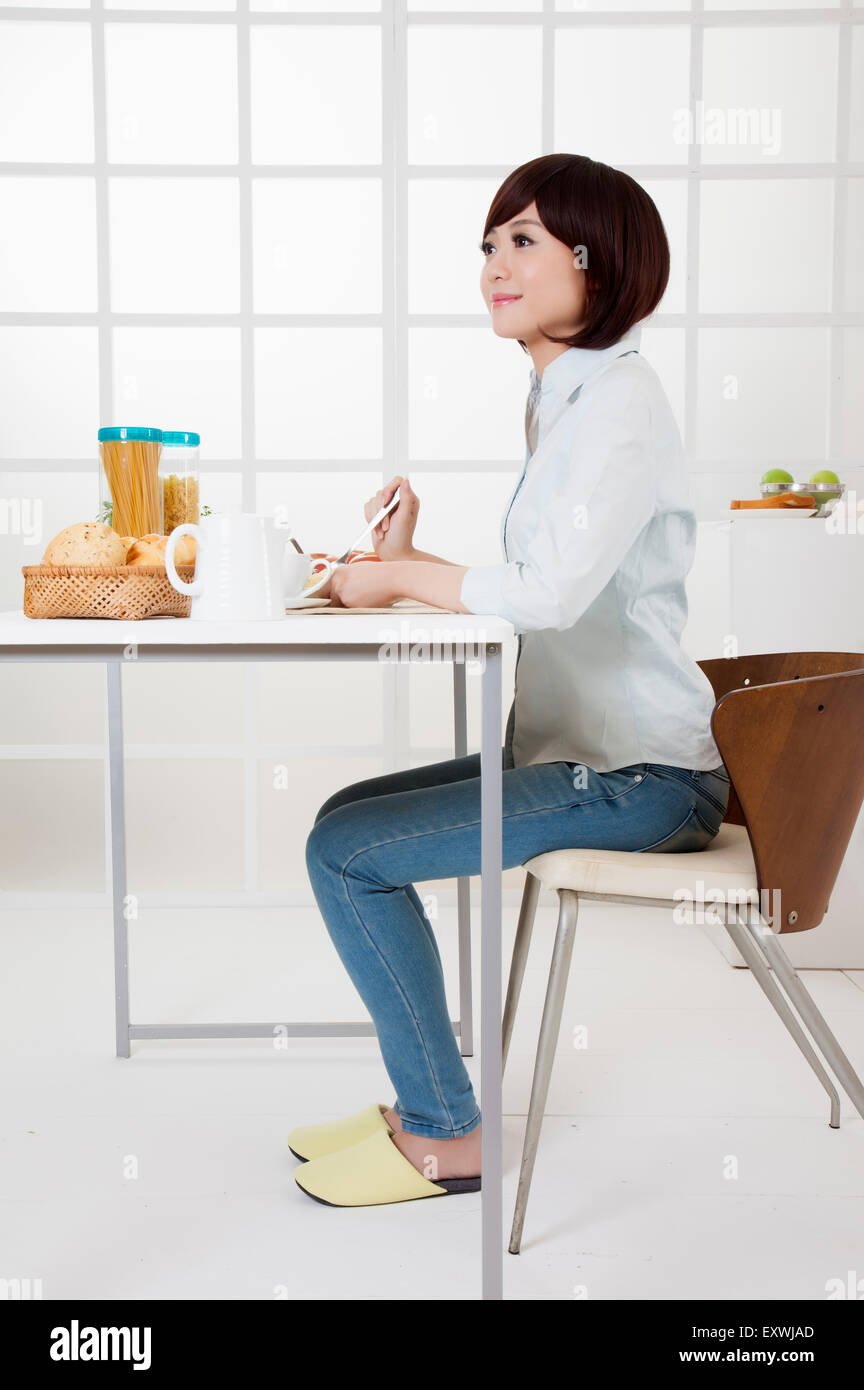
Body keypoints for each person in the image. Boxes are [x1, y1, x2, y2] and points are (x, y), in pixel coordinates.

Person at [289, 152, 730, 1208]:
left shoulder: (617, 402)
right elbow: (536, 581)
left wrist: (398, 578)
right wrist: (415, 557)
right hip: (579, 754)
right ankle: (427, 1097)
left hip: (640, 777)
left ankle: (448, 1132)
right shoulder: (564, 398)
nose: (495, 262)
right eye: (490, 241)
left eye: (523, 239)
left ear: (594, 260)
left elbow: (548, 592)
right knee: (349, 816)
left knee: (349, 855)